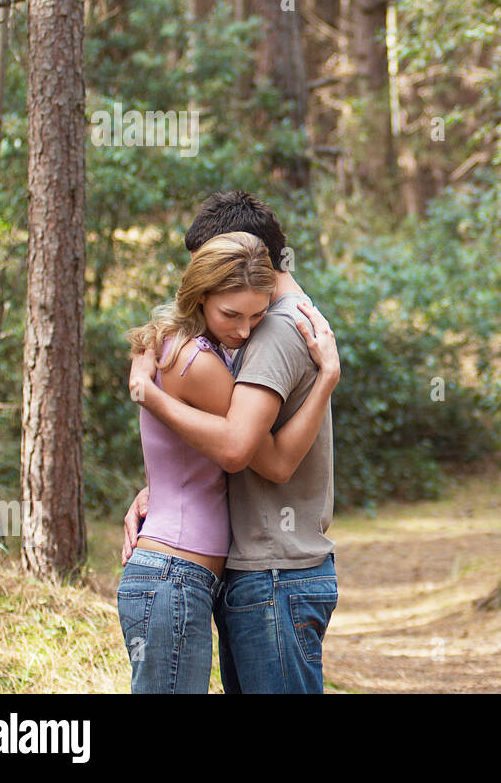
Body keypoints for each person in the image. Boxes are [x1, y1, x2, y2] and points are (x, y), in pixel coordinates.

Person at [124, 191, 341, 694]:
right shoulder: (271, 322)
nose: (241, 324)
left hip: (274, 573)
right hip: (254, 572)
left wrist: (150, 398)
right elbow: (213, 444)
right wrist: (159, 490)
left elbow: (244, 449)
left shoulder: (275, 330)